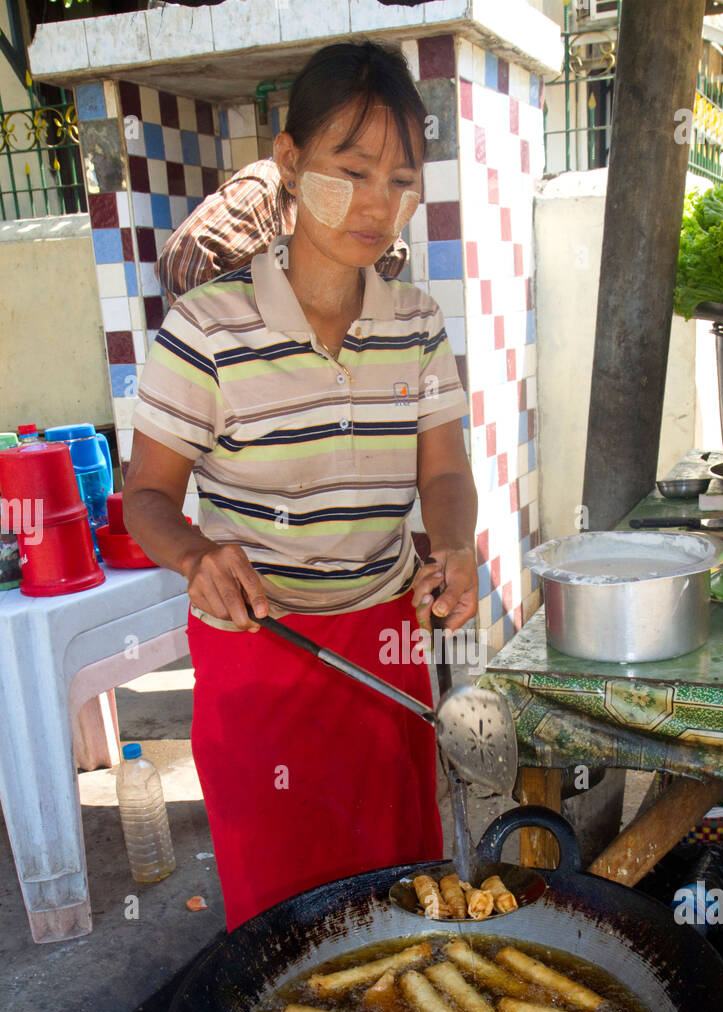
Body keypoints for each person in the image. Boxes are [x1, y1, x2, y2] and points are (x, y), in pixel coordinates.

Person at [124, 40, 478, 931]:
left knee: (399, 896)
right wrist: (198, 557)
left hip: (385, 652)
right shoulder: (206, 329)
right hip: (261, 658)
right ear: (289, 160)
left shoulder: (417, 322)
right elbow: (147, 498)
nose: (377, 204)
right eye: (350, 170)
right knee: (285, 922)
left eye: (400, 180)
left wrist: (456, 545)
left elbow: (443, 467)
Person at [157, 154, 408, 305]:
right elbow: (182, 260)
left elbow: (388, 260)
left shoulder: (369, 208)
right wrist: (240, 343)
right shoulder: (265, 189)